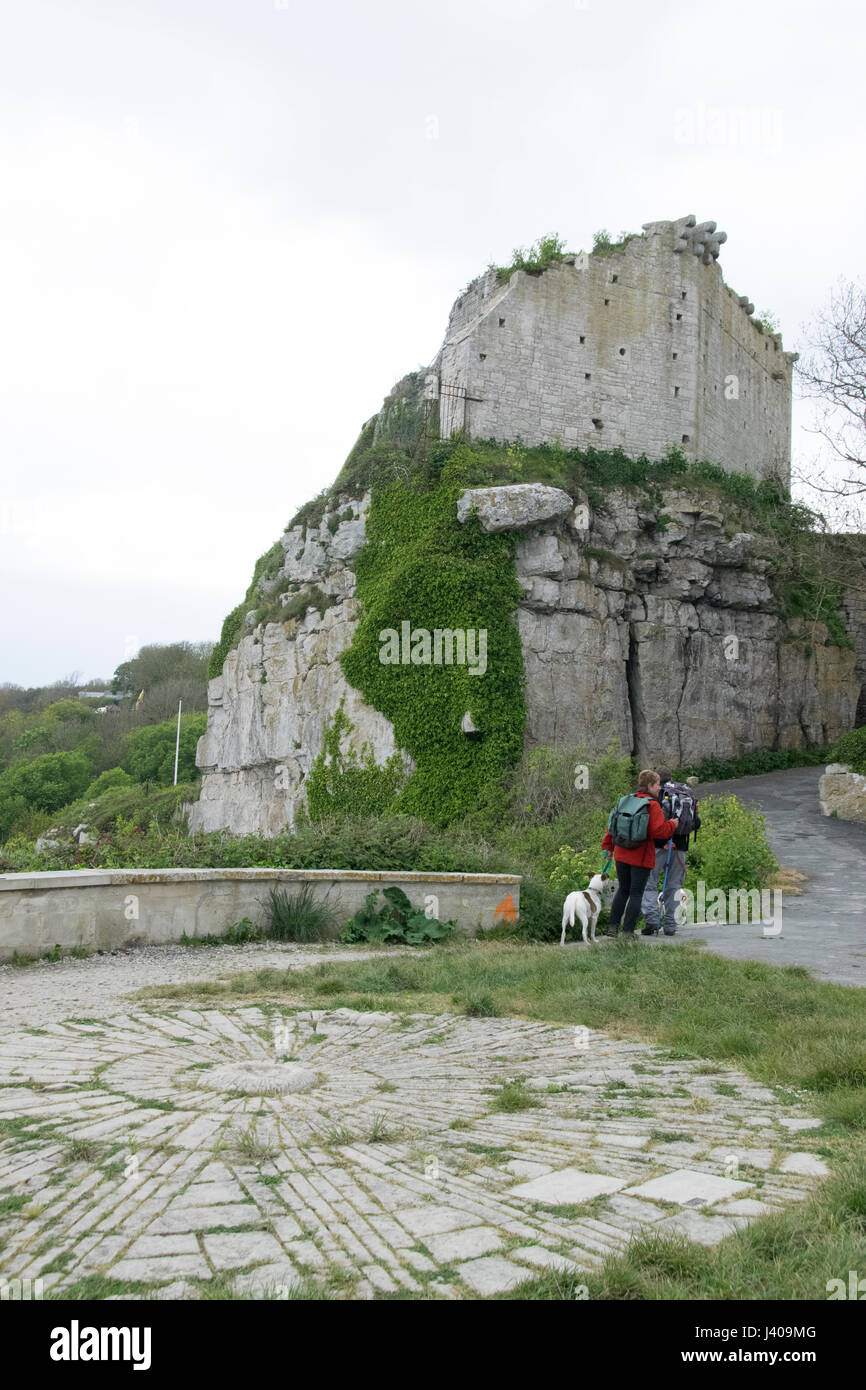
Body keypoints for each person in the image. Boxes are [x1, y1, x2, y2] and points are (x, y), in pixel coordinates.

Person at [601, 769, 679, 938]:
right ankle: (628, 932)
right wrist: (672, 824)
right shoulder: (652, 805)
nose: (659, 788)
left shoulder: (626, 800)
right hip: (640, 856)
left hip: (621, 854)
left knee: (623, 890)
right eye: (657, 784)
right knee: (636, 893)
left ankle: (612, 928)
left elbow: (612, 825)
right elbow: (658, 831)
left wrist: (608, 847)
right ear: (650, 785)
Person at [640, 768, 699, 937]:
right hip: (679, 848)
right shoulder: (684, 793)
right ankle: (670, 926)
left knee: (649, 881)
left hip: (658, 846)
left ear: (658, 780)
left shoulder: (657, 795)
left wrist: (662, 841)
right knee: (674, 886)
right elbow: (696, 823)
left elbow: (651, 824)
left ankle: (651, 920)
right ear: (672, 778)